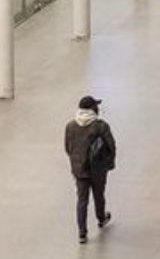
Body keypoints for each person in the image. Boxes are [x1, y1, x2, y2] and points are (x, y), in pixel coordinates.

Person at [64, 95, 117, 241]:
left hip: (79, 169)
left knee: (82, 200)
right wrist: (109, 163)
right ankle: (101, 218)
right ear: (93, 109)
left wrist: (76, 161)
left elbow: (68, 148)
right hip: (97, 169)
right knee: (99, 195)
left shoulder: (70, 126)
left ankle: (82, 233)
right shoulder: (101, 126)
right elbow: (111, 146)